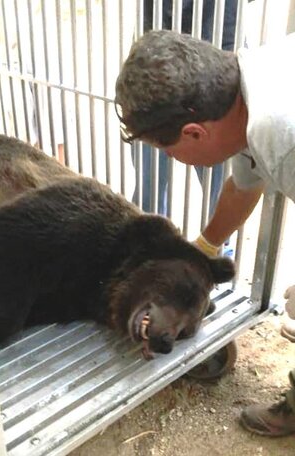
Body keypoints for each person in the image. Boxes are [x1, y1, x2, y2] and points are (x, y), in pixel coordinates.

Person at [115, 30, 295, 436]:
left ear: (195, 132)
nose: (170, 159)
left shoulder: (281, 133)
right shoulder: (247, 90)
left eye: (168, 151)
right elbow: (245, 185)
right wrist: (202, 248)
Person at [133, 0, 238, 218]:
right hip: (157, 58)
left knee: (220, 174)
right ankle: (149, 234)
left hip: (219, 50)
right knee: (149, 179)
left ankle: (219, 242)